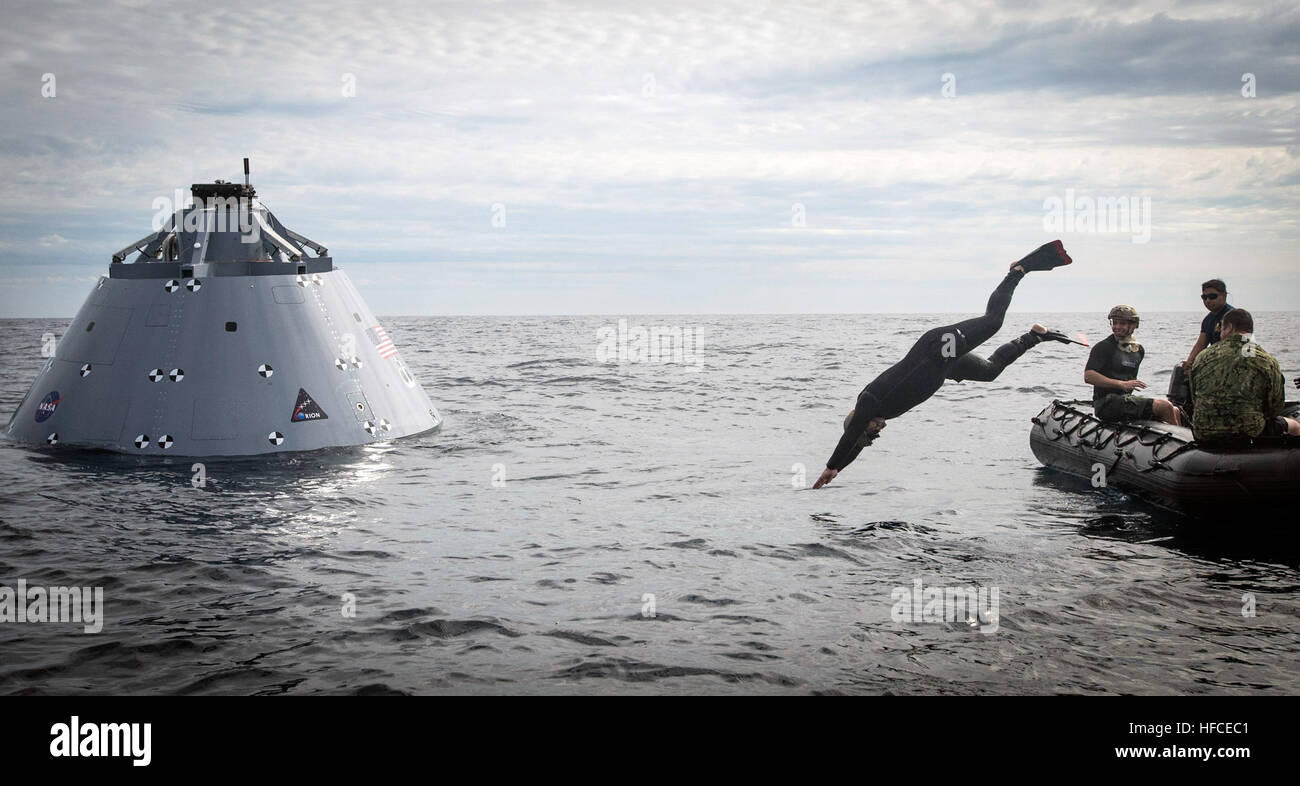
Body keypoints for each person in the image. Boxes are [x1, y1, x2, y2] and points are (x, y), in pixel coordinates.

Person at [812, 240, 1074, 489]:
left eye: (872, 431)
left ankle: (1017, 270)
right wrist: (838, 471)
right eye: (876, 435)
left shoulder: (869, 401)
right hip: (945, 365)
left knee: (993, 321)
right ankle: (1035, 336)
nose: (880, 430)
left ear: (861, 422)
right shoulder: (880, 413)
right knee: (990, 371)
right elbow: (855, 443)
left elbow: (851, 437)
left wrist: (830, 465)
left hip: (938, 347)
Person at [1188, 308, 1300, 440]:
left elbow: (1194, 397)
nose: (1220, 334)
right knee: (1295, 426)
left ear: (1229, 328)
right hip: (1249, 432)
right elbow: (1275, 408)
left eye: (1222, 330)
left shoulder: (1202, 357)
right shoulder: (1267, 360)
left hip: (1203, 432)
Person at [1083, 305, 1182, 426]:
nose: (1117, 327)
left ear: (1134, 325)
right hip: (1106, 403)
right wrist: (1121, 384)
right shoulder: (1104, 347)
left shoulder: (1138, 350)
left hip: (1124, 401)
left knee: (1175, 410)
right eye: (1115, 323)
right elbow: (1088, 376)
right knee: (1164, 406)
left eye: (1122, 324)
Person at [1180, 279, 1233, 371]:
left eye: (1212, 296)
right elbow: (1200, 345)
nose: (1208, 300)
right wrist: (1189, 363)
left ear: (1224, 296)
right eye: (1204, 297)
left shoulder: (1233, 316)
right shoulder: (1207, 320)